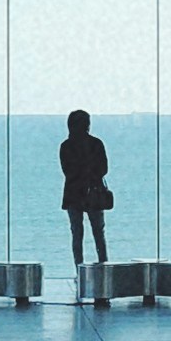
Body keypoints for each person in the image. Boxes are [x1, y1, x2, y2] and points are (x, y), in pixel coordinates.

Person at [58, 109, 112, 269]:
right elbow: (104, 169)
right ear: (87, 125)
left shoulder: (66, 146)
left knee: (77, 234)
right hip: (94, 192)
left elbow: (67, 170)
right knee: (99, 234)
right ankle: (103, 268)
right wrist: (91, 175)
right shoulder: (96, 143)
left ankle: (79, 269)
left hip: (73, 193)